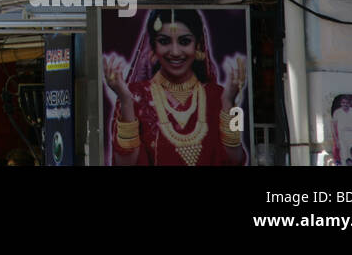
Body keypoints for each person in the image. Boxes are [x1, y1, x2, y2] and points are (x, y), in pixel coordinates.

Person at [104, 9, 247, 166]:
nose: (175, 52)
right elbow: (124, 163)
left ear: (198, 46)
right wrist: (125, 101)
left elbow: (237, 160)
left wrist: (229, 101)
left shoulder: (218, 95)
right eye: (164, 42)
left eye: (184, 42)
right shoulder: (134, 96)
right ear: (153, 47)